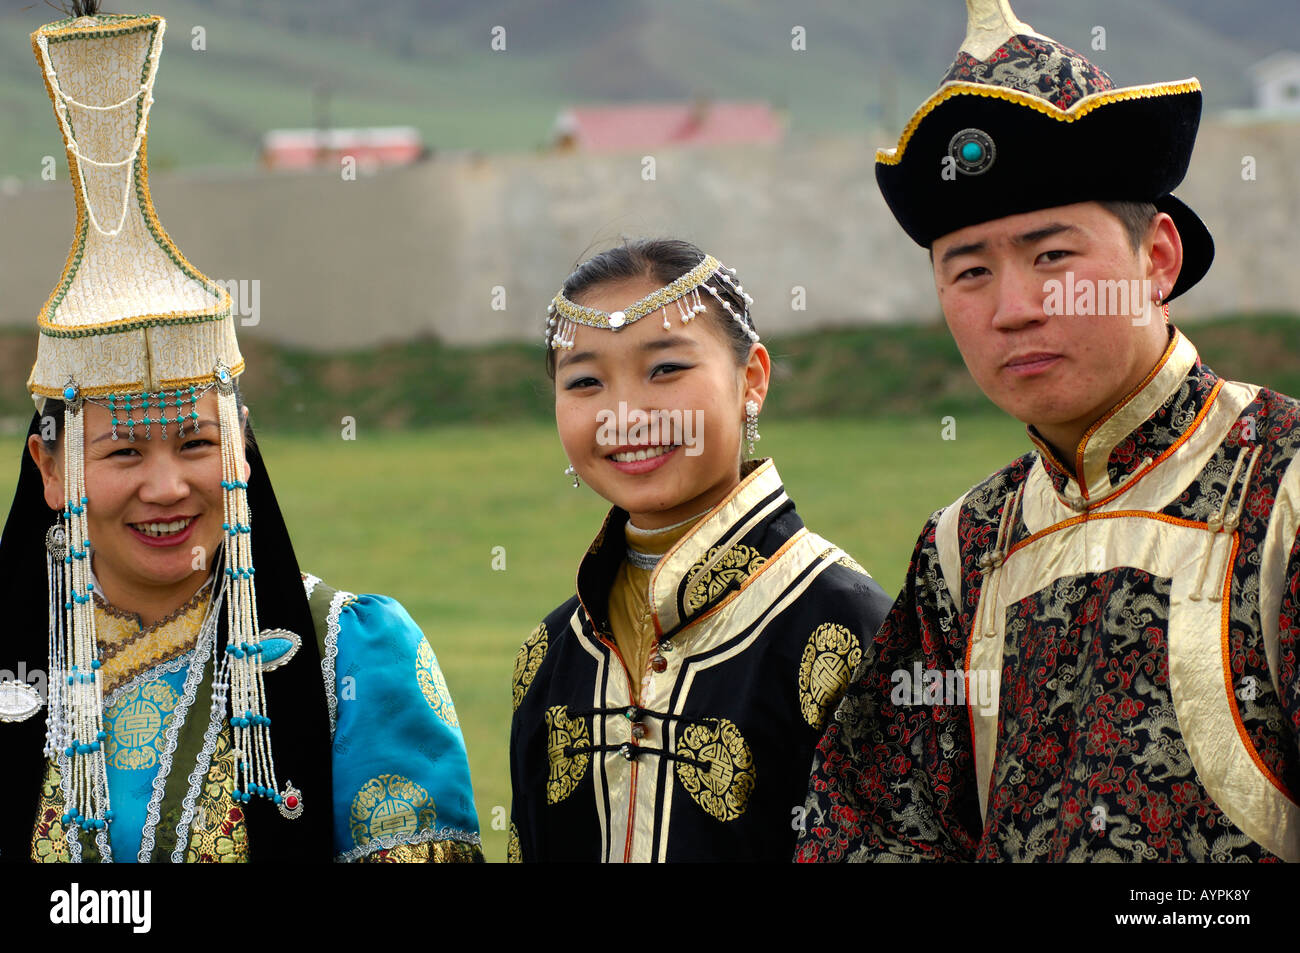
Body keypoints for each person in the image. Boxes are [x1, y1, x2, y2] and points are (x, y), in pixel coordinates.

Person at [797, 0, 1300, 863]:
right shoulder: (964, 548)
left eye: (1053, 255)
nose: (1014, 309)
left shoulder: (1281, 486)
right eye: (970, 271)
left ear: (1158, 258)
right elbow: (869, 829)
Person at [0, 7, 481, 863]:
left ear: (242, 446)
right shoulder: (11, 662)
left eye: (195, 443)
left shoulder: (355, 661)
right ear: (50, 466)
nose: (166, 486)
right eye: (123, 451)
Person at [508, 237, 894, 862]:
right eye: (585, 382)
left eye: (665, 369)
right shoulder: (551, 655)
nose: (625, 416)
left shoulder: (843, 626)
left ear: (752, 379)